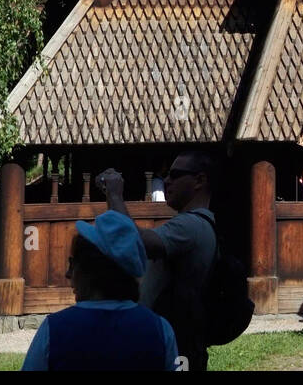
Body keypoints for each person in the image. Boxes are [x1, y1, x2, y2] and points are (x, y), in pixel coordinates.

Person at [98, 152, 218, 372]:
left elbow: (135, 242)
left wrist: (115, 195)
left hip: (176, 347)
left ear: (200, 180)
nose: (167, 181)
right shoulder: (201, 225)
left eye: (175, 174)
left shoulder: (191, 226)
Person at [22, 210, 178, 371]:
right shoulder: (160, 329)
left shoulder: (54, 329)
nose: (68, 275)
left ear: (89, 269)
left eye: (72, 263)